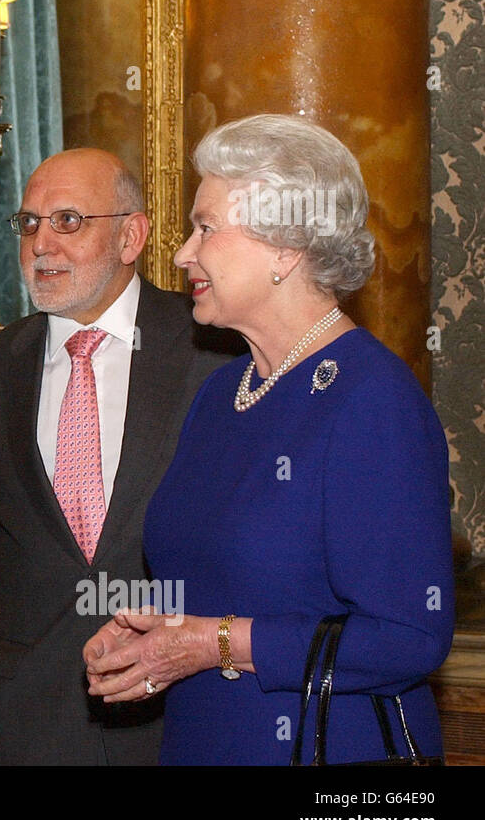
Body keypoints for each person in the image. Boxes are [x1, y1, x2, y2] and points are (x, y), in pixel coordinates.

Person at [84, 114, 455, 764]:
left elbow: (410, 638)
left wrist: (212, 643)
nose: (181, 253)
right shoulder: (221, 393)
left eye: (205, 227)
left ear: (286, 247)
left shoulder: (372, 399)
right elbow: (222, 574)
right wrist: (150, 628)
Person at [0, 148, 235, 765]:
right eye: (28, 224)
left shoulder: (216, 352)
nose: (41, 245)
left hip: (181, 713)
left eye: (68, 221)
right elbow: (3, 549)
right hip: (27, 720)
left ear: (131, 235)